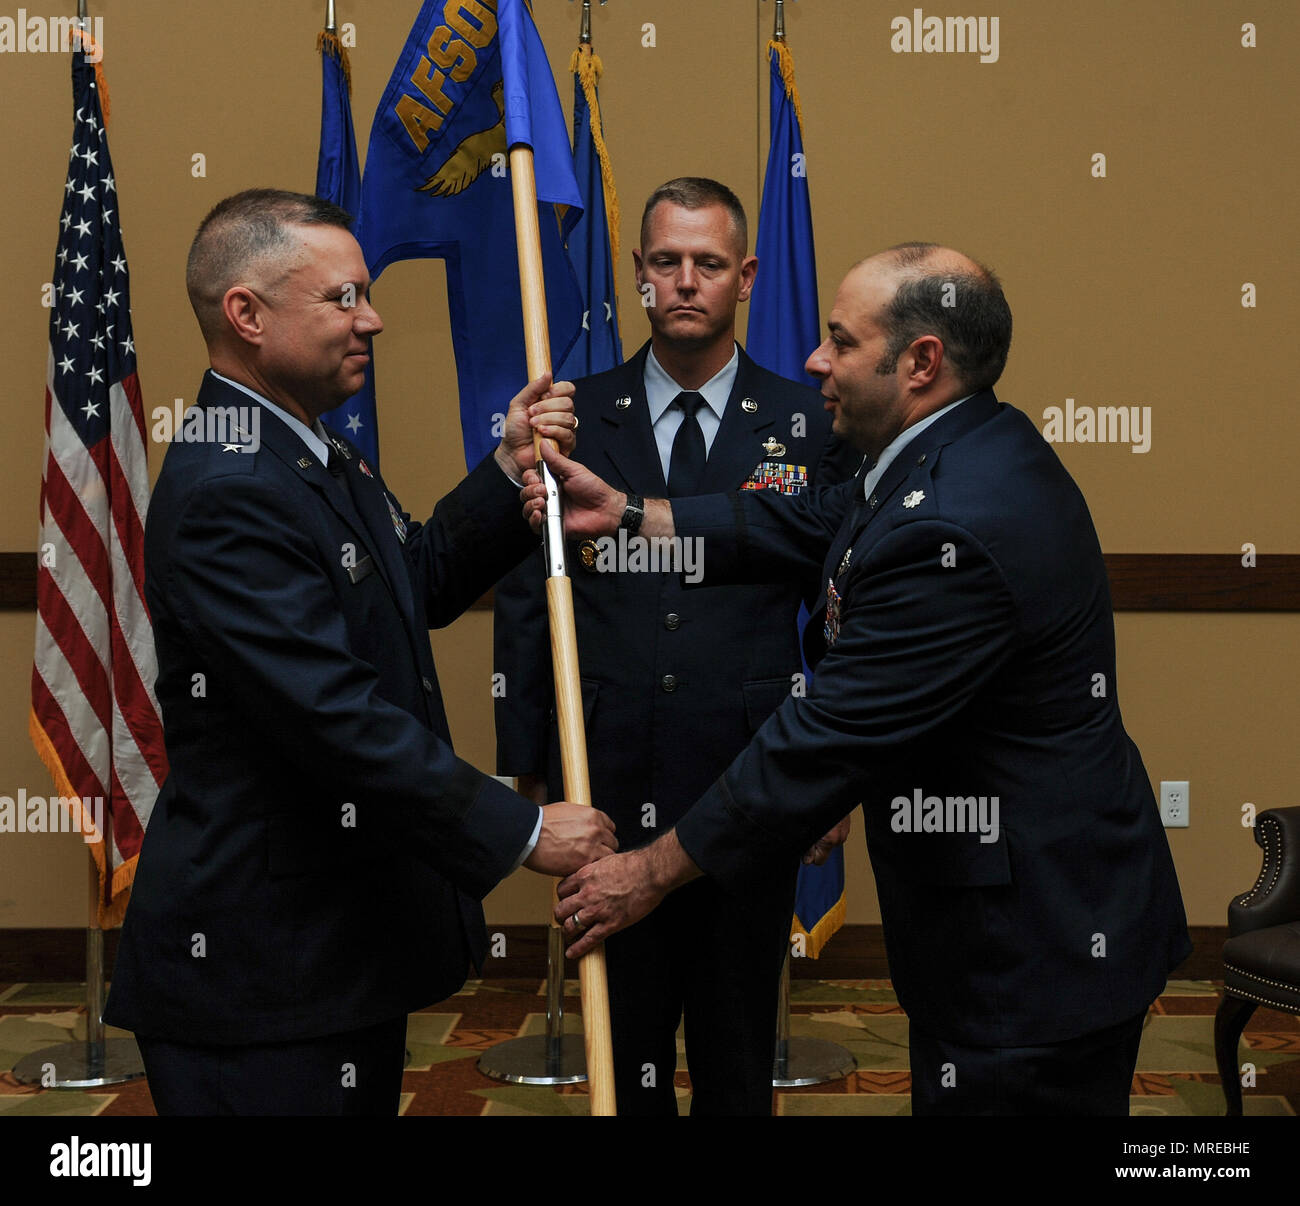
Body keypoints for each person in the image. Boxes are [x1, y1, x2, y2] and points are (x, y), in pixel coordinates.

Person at [533, 242, 1193, 1115]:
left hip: (1035, 941)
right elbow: (807, 518)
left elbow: (823, 739)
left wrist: (646, 874)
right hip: (1006, 913)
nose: (813, 361)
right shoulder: (947, 446)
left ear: (920, 362)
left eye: (840, 342)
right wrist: (626, 513)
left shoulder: (958, 522)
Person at [103, 189, 616, 1116]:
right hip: (262, 972)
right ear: (247, 315)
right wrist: (525, 832)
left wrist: (504, 471)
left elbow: (410, 582)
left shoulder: (307, 449)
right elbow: (331, 716)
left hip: (332, 955)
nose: (371, 319)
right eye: (342, 298)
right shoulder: (231, 486)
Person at [493, 178, 857, 1114]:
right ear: (640, 277)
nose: (685, 281)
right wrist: (530, 763)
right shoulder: (573, 416)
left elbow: (840, 605)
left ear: (746, 277)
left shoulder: (813, 423)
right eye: (665, 262)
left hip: (752, 772)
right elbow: (534, 591)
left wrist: (833, 777)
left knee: (738, 1054)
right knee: (625, 1047)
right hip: (606, 770)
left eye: (707, 263)